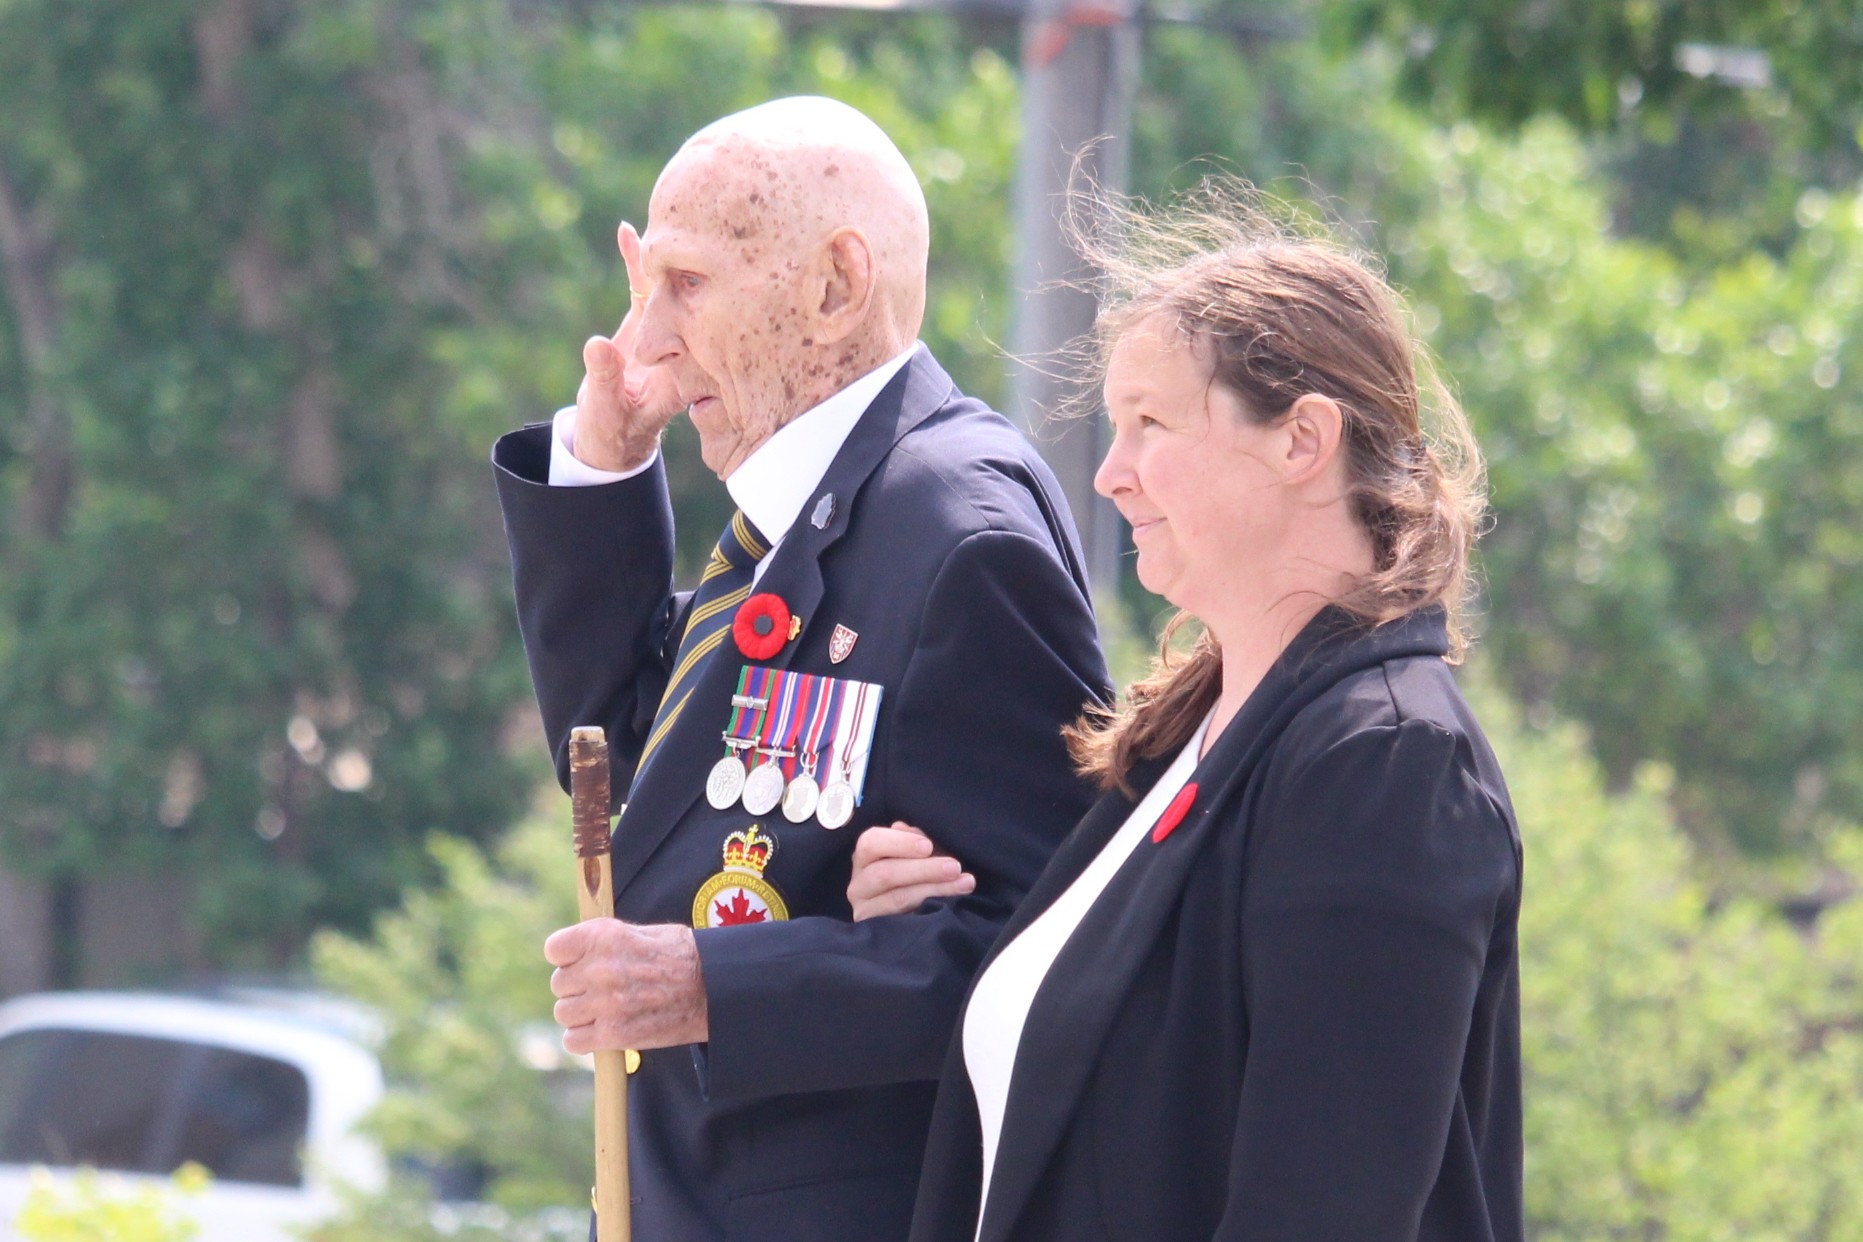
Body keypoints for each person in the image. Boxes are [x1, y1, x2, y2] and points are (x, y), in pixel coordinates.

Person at [847, 189, 1524, 1241]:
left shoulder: (1385, 761)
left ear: (1302, 440)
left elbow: (1322, 1213)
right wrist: (923, 923)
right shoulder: (1189, 749)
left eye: (1150, 424)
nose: (1109, 475)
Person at [490, 97, 1109, 1239]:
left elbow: (1057, 956)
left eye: (686, 285)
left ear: (835, 288)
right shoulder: (816, 507)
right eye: (642, 289)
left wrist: (708, 985)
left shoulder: (956, 530)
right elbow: (629, 793)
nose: (645, 342)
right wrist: (606, 466)